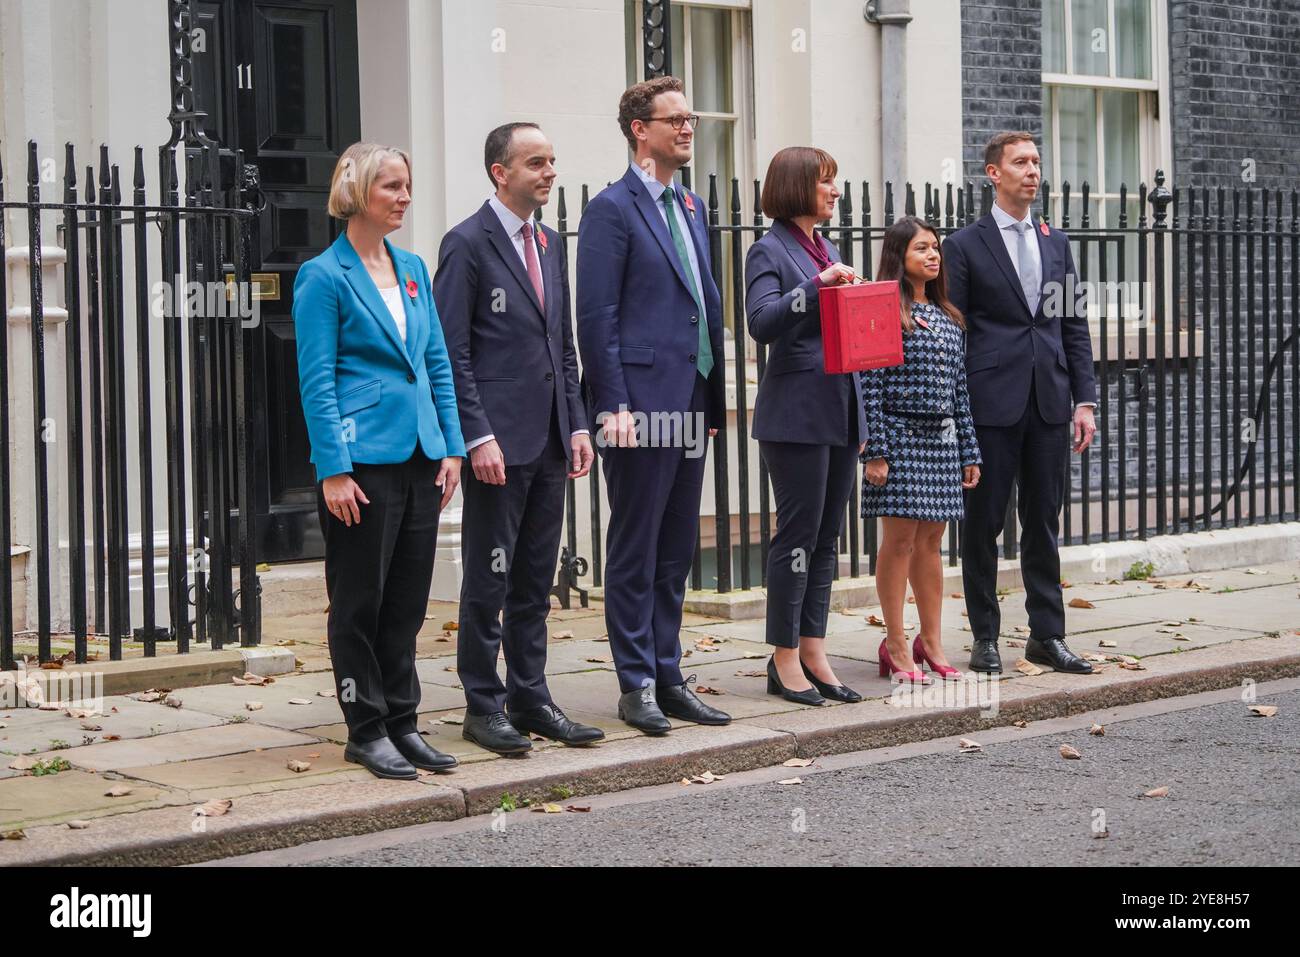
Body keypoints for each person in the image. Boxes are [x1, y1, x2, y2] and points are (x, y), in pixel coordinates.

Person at [294, 142, 465, 779]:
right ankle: (364, 728)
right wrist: (332, 468)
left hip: (422, 456)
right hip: (360, 462)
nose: (404, 197)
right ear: (359, 192)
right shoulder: (323, 276)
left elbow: (437, 364)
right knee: (359, 601)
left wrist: (452, 445)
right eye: (391, 186)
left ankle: (402, 720)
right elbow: (316, 379)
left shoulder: (414, 267)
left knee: (407, 603)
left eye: (407, 185)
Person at [433, 122, 603, 754]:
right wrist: (476, 436)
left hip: (553, 440)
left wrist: (578, 422)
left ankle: (531, 696)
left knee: (536, 576)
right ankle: (484, 704)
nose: (550, 172)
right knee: (489, 575)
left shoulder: (552, 243)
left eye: (553, 161)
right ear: (500, 172)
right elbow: (453, 352)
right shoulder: (466, 244)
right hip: (497, 447)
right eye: (536, 162)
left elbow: (560, 343)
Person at [576, 76, 730, 734]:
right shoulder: (612, 210)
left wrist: (714, 392)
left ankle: (670, 673)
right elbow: (597, 315)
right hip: (637, 406)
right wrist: (612, 402)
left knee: (676, 547)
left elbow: (703, 302)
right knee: (636, 546)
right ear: (640, 130)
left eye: (690, 118)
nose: (687, 128)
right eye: (675, 120)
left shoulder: (690, 206)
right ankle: (634, 680)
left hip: (691, 396)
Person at [943, 131, 1099, 675]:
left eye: (1036, 161)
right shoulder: (963, 245)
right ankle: (985, 636)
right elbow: (954, 330)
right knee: (982, 522)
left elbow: (1072, 324)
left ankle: (1046, 635)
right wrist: (957, 412)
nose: (1032, 171)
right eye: (1020, 163)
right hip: (990, 405)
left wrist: (1085, 400)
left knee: (1043, 521)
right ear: (994, 173)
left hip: (1050, 402)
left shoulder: (1056, 243)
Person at [745, 146, 866, 706]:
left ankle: (814, 648)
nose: (835, 191)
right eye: (826, 182)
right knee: (795, 537)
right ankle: (784, 657)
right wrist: (819, 285)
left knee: (826, 538)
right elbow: (762, 324)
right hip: (794, 417)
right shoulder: (767, 250)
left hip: (839, 411)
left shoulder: (826, 247)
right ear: (797, 186)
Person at [861, 216, 981, 683]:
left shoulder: (950, 316)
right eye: (921, 249)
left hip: (943, 441)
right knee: (900, 541)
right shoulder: (883, 308)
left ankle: (930, 640)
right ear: (899, 256)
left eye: (935, 248)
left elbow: (960, 392)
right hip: (898, 438)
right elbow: (869, 383)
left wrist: (970, 451)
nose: (933, 256)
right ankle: (894, 643)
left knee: (932, 542)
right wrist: (876, 450)